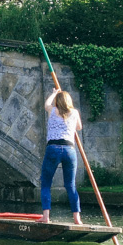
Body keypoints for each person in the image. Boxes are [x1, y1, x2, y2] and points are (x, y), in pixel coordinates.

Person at [40, 88, 83, 225]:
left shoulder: (52, 110)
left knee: (46, 183)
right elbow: (79, 127)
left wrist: (54, 93)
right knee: (70, 185)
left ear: (57, 101)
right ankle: (77, 218)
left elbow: (46, 104)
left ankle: (46, 217)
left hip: (53, 148)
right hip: (69, 149)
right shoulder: (74, 113)